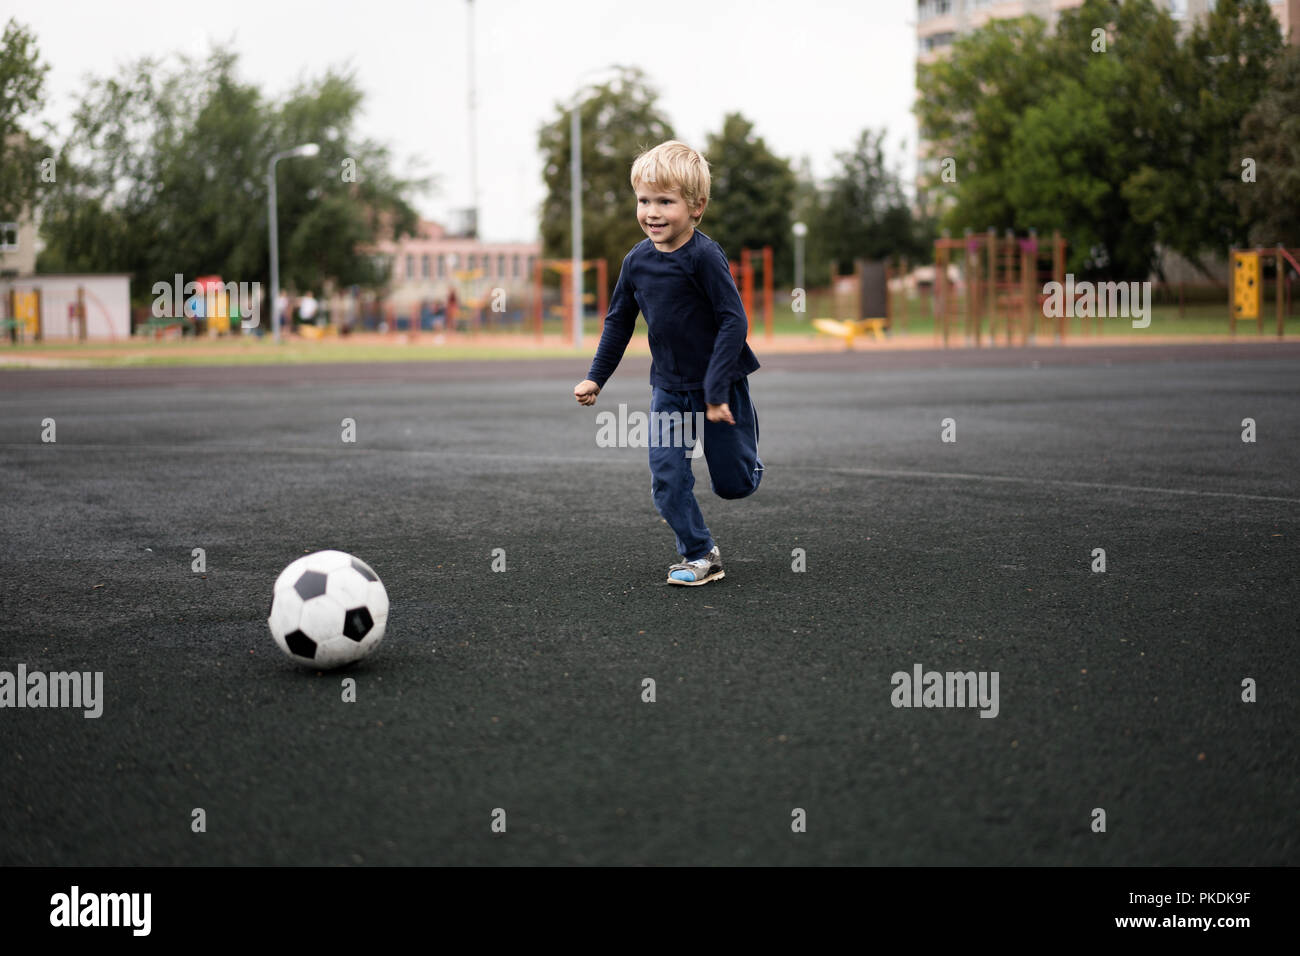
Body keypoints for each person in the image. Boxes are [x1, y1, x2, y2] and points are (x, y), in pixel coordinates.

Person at [573, 140, 762, 586]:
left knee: (733, 484)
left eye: (665, 201)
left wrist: (716, 391)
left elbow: (734, 323)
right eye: (643, 200)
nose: (651, 212)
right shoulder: (636, 262)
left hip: (720, 385)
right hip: (669, 390)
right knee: (666, 476)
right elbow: (619, 323)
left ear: (696, 208)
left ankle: (748, 458)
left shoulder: (704, 257)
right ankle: (699, 553)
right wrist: (594, 377)